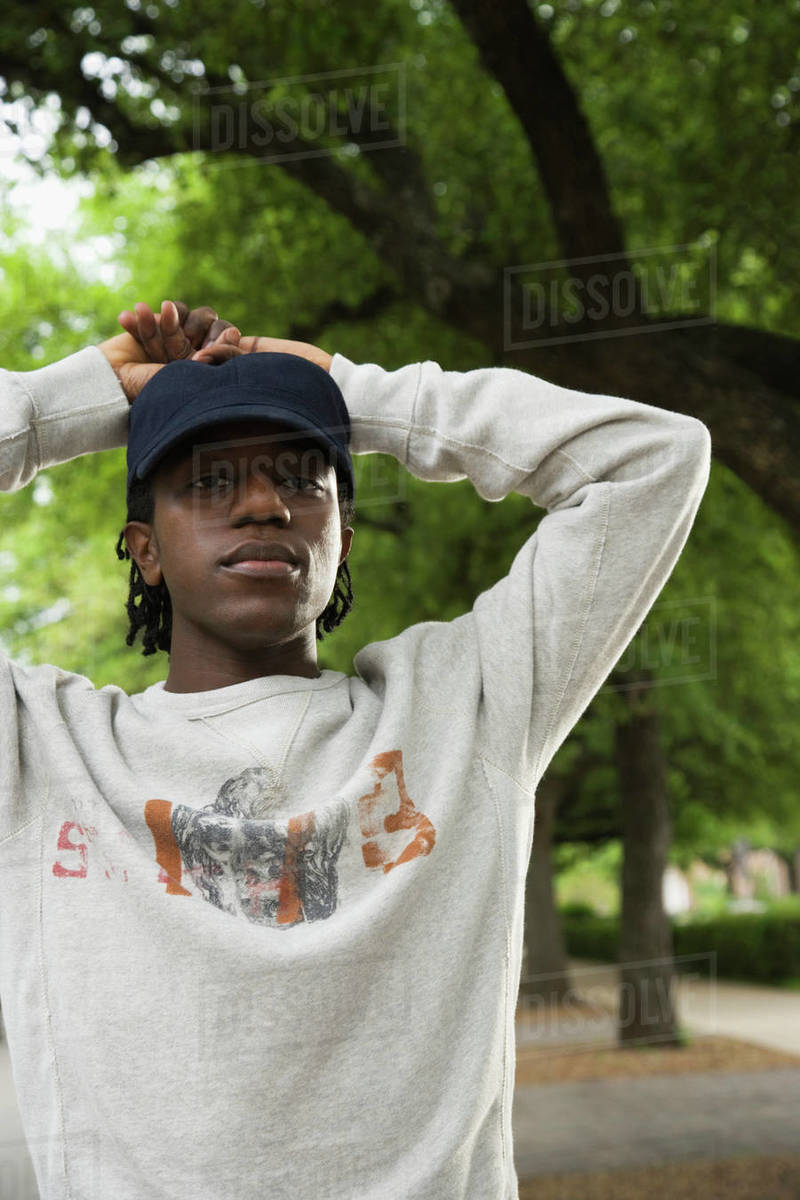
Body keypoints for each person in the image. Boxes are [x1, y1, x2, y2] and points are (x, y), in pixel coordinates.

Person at [0, 300, 712, 1200]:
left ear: (342, 534)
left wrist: (351, 393)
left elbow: (654, 456)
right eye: (210, 483)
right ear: (143, 548)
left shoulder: (468, 705)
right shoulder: (40, 750)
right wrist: (80, 398)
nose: (264, 505)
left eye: (305, 479)